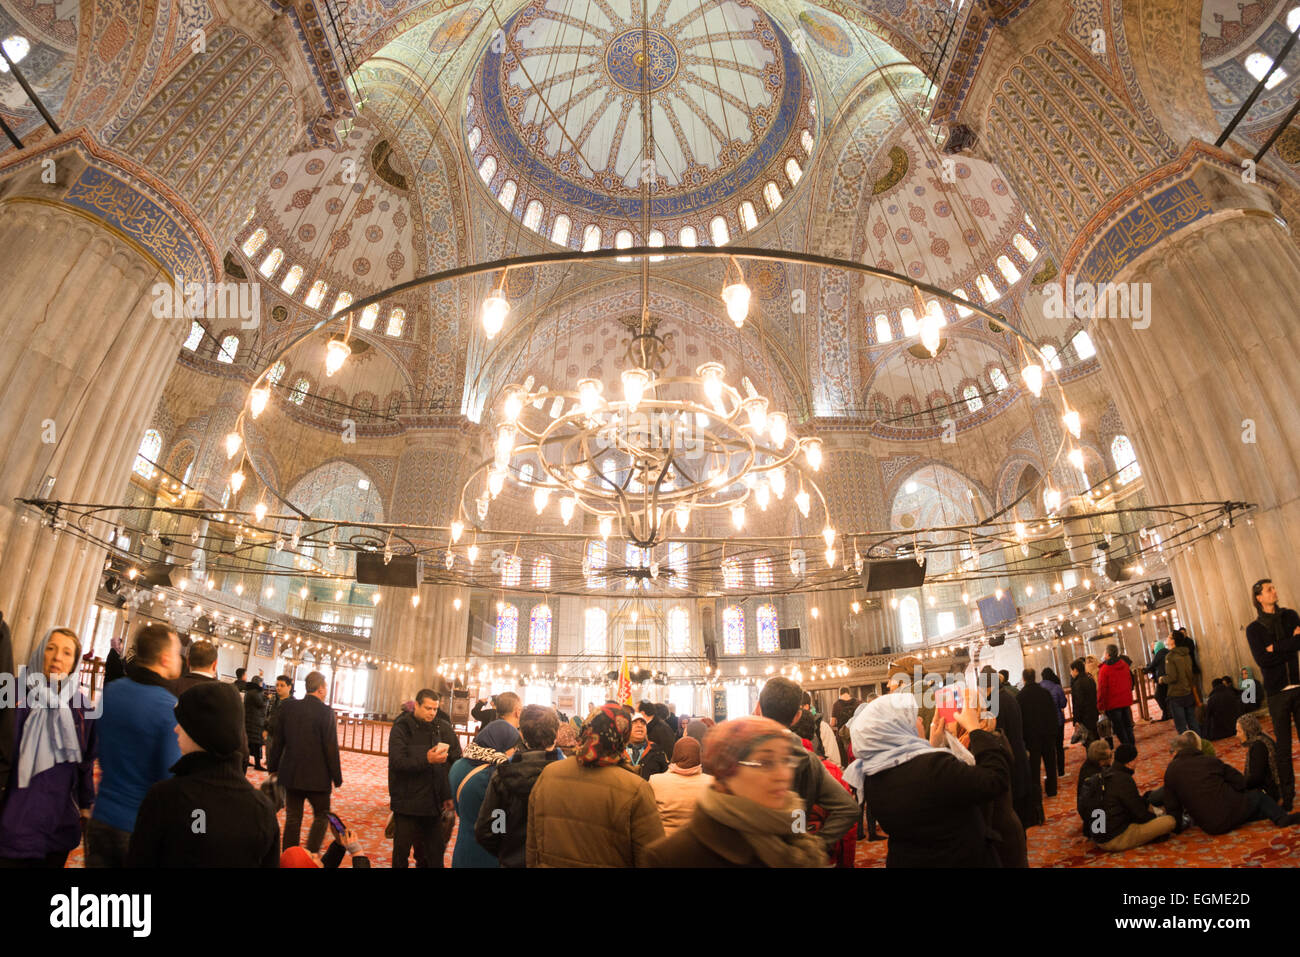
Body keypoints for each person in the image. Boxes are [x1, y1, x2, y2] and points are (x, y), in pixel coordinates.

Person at [845, 689, 1012, 867]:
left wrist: (932, 746)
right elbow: (994, 780)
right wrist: (975, 730)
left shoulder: (872, 776)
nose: (921, 719)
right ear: (896, 728)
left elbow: (921, 794)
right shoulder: (934, 767)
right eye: (913, 717)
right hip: (956, 857)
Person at [127, 681, 280, 866]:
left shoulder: (166, 798)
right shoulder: (263, 809)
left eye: (182, 723)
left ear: (199, 731)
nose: (176, 729)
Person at [644, 716, 830, 867]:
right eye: (766, 762)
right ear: (727, 772)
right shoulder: (673, 857)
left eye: (786, 760)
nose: (783, 774)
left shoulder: (793, 821)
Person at [87, 624, 182, 867]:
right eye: (178, 652)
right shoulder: (167, 706)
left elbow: (96, 746)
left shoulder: (112, 691)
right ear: (165, 658)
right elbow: (168, 778)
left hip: (101, 816)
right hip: (138, 829)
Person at [0, 628, 97, 867]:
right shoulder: (12, 692)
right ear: (40, 651)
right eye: (51, 648)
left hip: (57, 826)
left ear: (74, 662)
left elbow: (85, 763)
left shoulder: (82, 709)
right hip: (13, 821)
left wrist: (85, 805)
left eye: (67, 653)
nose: (57, 658)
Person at [526, 704, 665, 866]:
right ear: (624, 737)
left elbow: (532, 847)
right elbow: (653, 857)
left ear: (586, 731)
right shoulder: (635, 788)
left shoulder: (549, 774)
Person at [757, 676, 858, 853]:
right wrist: (817, 845)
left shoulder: (741, 753)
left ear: (759, 709)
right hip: (796, 850)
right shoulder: (809, 760)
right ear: (797, 716)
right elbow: (848, 808)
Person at [1162, 731, 1300, 834]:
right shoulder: (1210, 761)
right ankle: (1281, 818)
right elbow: (1240, 782)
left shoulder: (1170, 771)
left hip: (1209, 826)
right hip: (1232, 812)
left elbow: (1172, 806)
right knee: (1258, 797)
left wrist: (1178, 827)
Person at [474, 704, 562, 867]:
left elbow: (492, 827)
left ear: (521, 734)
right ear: (557, 733)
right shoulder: (570, 775)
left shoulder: (503, 775)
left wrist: (508, 851)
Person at [268, 670, 342, 853]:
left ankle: (290, 857)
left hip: (291, 774)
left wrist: (273, 767)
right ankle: (311, 854)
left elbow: (278, 741)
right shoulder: (326, 712)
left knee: (293, 818)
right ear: (321, 689)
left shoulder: (289, 708)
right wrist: (337, 777)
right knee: (322, 816)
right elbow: (331, 747)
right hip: (318, 777)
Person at [388, 689, 460, 868]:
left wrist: (447, 794)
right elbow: (398, 762)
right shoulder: (401, 727)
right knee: (401, 854)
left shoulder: (442, 727)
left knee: (435, 854)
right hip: (406, 803)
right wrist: (426, 759)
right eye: (428, 708)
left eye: (435, 709)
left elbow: (452, 761)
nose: (432, 713)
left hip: (432, 803)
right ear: (416, 705)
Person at [1245, 578, 1300, 809]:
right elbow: (1263, 660)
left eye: (1274, 587)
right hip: (1276, 693)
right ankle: (1288, 796)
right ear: (1259, 598)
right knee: (1284, 749)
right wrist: (1290, 644)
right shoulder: (1254, 629)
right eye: (1269, 590)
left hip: (1298, 687)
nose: (1274, 591)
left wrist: (1276, 647)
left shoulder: (1290, 616)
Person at [447, 720, 520, 868]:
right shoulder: (494, 776)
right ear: (502, 745)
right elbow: (498, 826)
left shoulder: (458, 765)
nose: (515, 751)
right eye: (513, 747)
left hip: (463, 846)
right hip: (487, 855)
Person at [1080, 743, 1176, 851]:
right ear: (1130, 763)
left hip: (1098, 835)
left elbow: (1085, 807)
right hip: (1115, 838)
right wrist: (1156, 820)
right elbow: (1140, 814)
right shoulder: (1124, 780)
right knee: (1169, 821)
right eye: (1135, 760)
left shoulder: (1103, 775)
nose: (1137, 763)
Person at [981, 665, 1036, 827]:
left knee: (1014, 816)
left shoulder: (995, 703)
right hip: (1019, 756)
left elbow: (994, 737)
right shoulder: (1008, 696)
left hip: (1010, 761)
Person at [647, 736, 713, 835]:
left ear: (675, 754)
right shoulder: (710, 782)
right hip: (698, 842)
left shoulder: (656, 780)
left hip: (664, 842)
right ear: (699, 756)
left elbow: (648, 816)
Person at [1018, 668, 1059, 799]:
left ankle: (1036, 792)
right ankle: (1052, 789)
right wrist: (1054, 732)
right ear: (1034, 677)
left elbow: (1020, 720)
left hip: (1031, 737)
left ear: (1023, 679)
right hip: (1047, 734)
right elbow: (1053, 713)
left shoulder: (1020, 696)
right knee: (1050, 763)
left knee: (1034, 767)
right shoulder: (1044, 692)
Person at [1157, 630, 1200, 736]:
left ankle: (1188, 748)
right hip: (1188, 692)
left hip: (1176, 695)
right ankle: (1200, 744)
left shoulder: (1170, 656)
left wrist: (1162, 679)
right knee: (1193, 723)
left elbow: (1172, 677)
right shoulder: (1186, 654)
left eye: (1169, 636)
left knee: (1181, 726)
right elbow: (1190, 674)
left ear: (1173, 641)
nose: (1167, 638)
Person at [1237, 713, 1282, 804]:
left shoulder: (1258, 746)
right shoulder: (1263, 738)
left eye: (1239, 731)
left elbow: (1256, 778)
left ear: (1248, 731)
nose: (1237, 735)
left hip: (1269, 793)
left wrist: (1240, 784)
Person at [1097, 644, 1135, 748]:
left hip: (1113, 703)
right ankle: (1132, 744)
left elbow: (1102, 689)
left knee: (1119, 727)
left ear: (1108, 654)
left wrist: (1101, 706)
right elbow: (1130, 680)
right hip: (1125, 700)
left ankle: (1127, 746)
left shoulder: (1104, 669)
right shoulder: (1123, 664)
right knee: (1128, 725)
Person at [1039, 667, 1068, 777]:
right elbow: (1063, 704)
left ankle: (1050, 773)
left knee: (1047, 749)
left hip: (1044, 723)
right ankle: (1061, 772)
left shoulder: (1039, 688)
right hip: (1058, 721)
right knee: (1059, 747)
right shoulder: (1057, 687)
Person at [1076, 739, 1113, 822]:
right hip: (1096, 818)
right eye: (1110, 756)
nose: (1111, 758)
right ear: (1102, 760)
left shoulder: (1094, 765)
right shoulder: (1093, 777)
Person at [1070, 658, 1099, 743]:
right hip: (1093, 711)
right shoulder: (1090, 678)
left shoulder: (1078, 683)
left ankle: (1093, 755)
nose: (1071, 673)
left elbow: (1078, 703)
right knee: (1094, 734)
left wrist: (1077, 719)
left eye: (1071, 670)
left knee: (1088, 739)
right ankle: (1099, 753)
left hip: (1084, 716)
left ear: (1075, 670)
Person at [243, 675, 267, 771]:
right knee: (257, 744)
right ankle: (257, 764)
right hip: (256, 721)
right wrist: (267, 699)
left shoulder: (249, 691)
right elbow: (261, 704)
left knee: (249, 743)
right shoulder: (256, 692)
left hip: (249, 719)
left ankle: (246, 761)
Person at [1146, 639, 1170, 721]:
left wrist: (1146, 669)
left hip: (1162, 679)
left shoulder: (1160, 653)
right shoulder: (1166, 651)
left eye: (1153, 646)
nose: (1152, 648)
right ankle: (1167, 713)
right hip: (1166, 678)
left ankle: (1167, 713)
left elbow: (1153, 665)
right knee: (1165, 696)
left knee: (1158, 696)